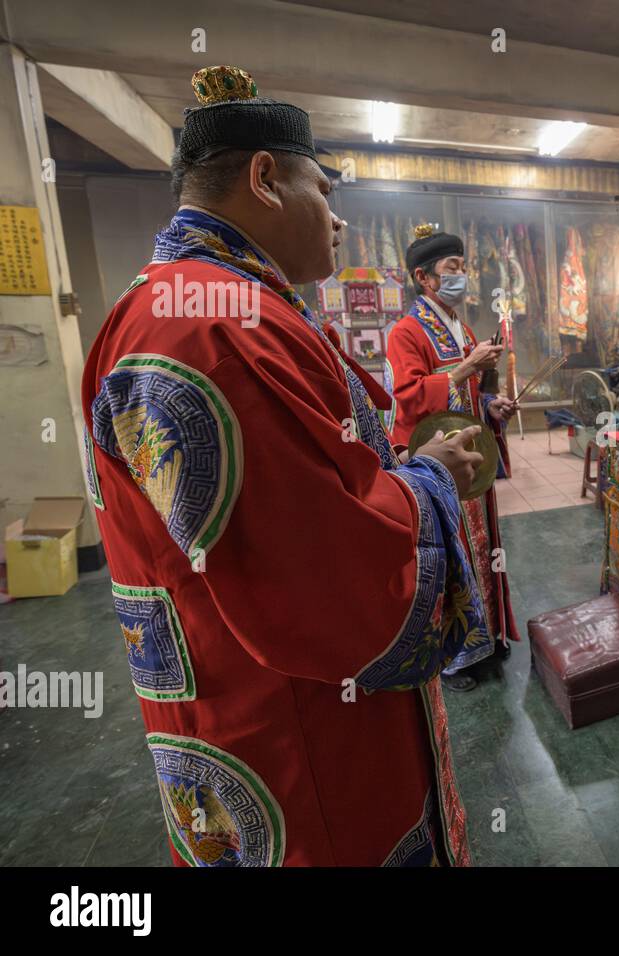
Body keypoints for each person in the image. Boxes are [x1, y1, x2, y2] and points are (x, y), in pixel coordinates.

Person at [81, 66, 487, 866]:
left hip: (245, 692)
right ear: (265, 179)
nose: (338, 222)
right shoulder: (213, 327)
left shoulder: (189, 299)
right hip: (294, 726)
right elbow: (321, 564)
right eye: (326, 193)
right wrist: (430, 473)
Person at [385, 227, 520, 692]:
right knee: (449, 551)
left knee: (480, 548)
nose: (462, 276)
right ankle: (454, 657)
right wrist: (466, 367)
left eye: (463, 268)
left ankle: (486, 635)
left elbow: (466, 392)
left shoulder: (459, 327)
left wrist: (490, 406)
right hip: (432, 460)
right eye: (452, 269)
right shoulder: (404, 332)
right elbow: (407, 396)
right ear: (424, 278)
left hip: (468, 453)